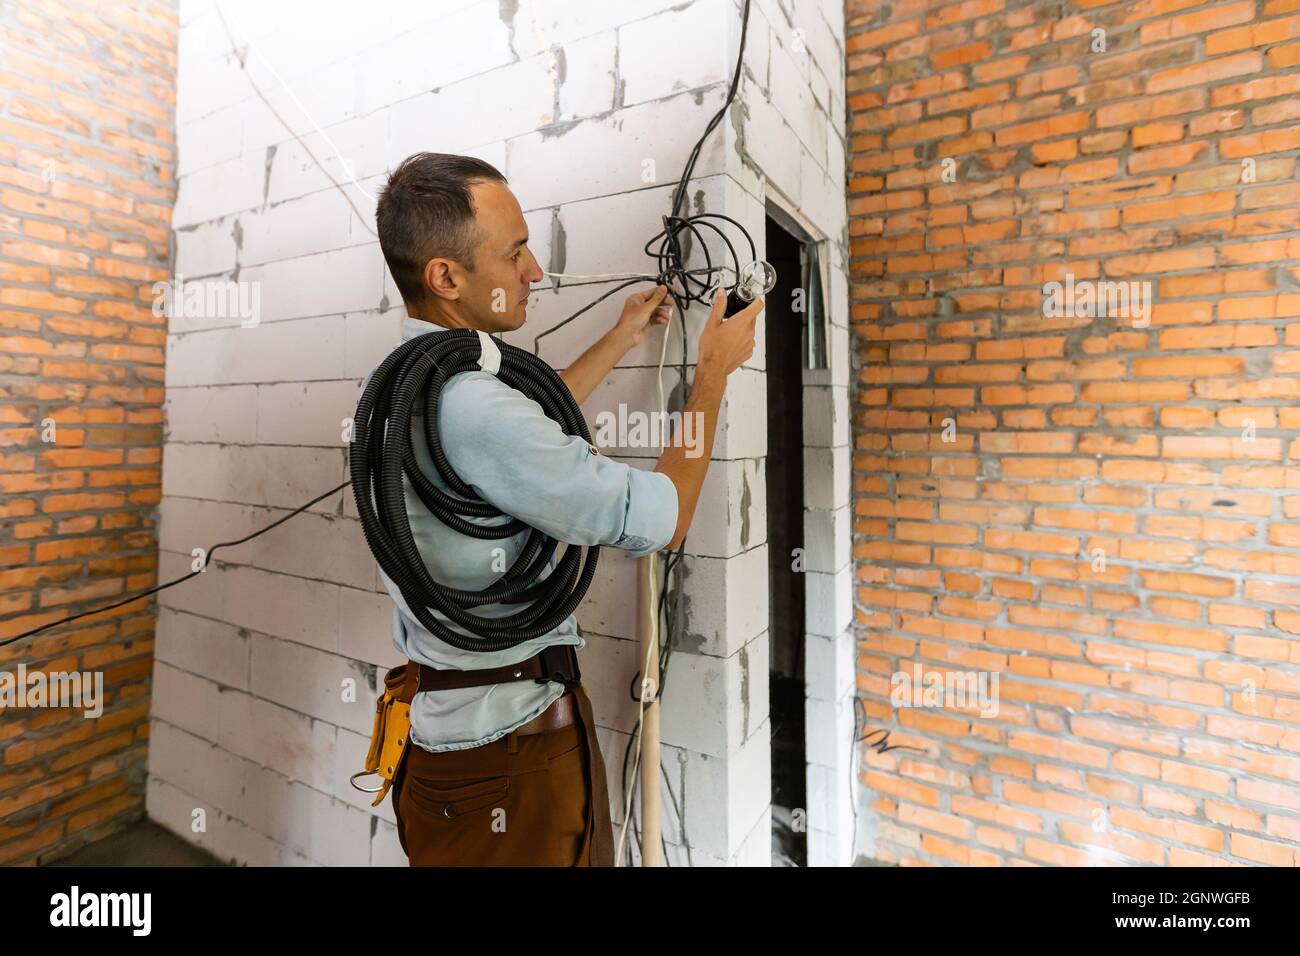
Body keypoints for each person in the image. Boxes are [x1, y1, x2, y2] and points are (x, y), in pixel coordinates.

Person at [365, 151, 762, 866]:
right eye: (514, 252)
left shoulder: (402, 389)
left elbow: (518, 443)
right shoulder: (472, 408)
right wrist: (711, 374)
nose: (536, 272)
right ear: (446, 277)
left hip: (441, 753)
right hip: (512, 770)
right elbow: (660, 516)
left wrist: (621, 337)